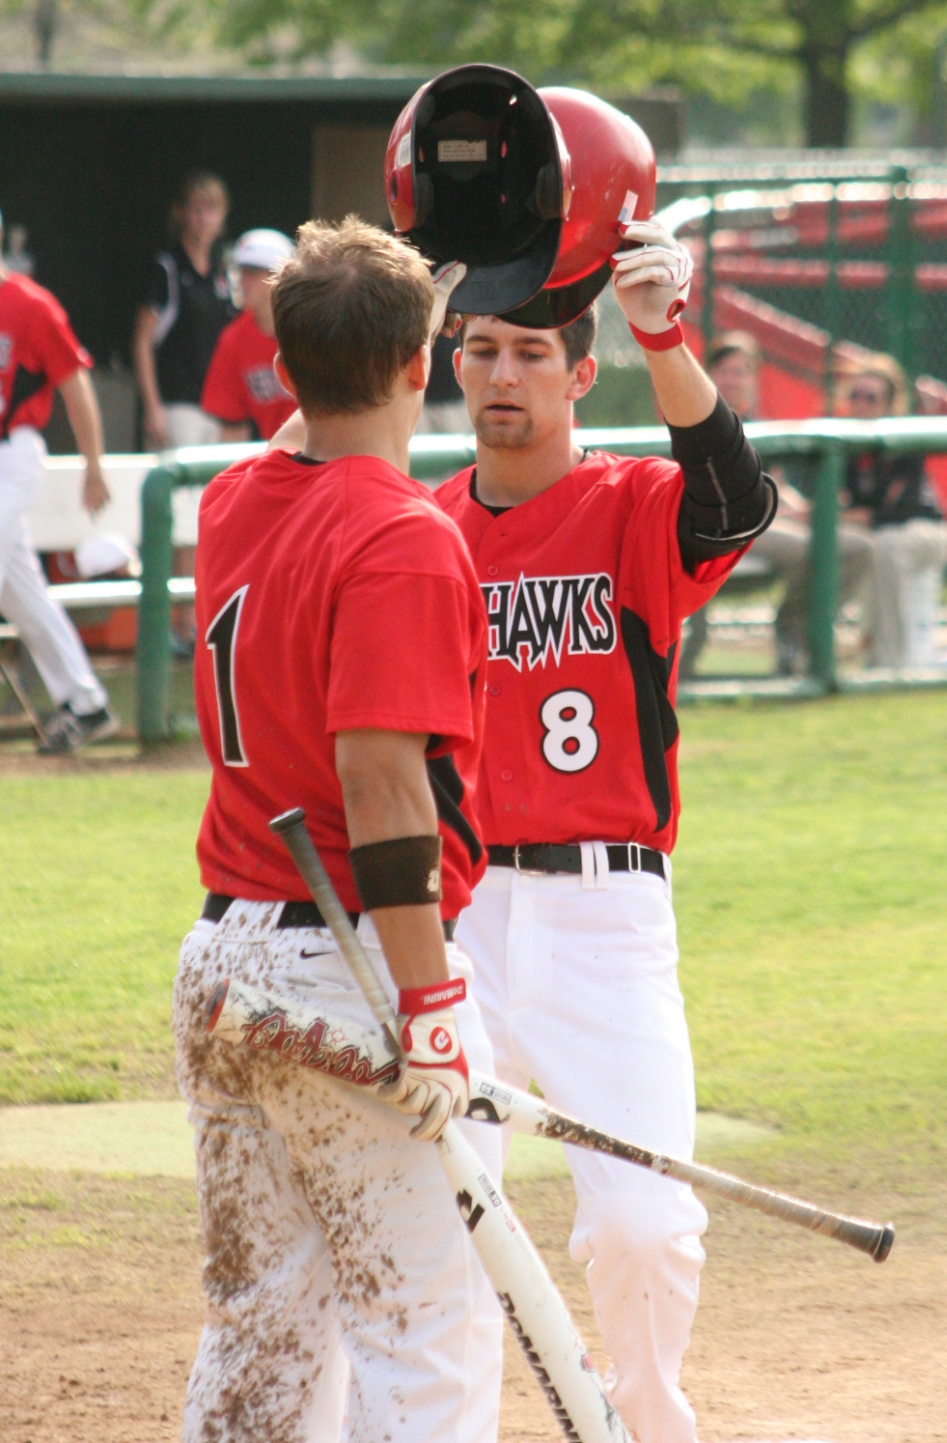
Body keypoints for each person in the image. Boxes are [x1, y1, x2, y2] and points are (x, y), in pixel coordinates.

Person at [433, 218, 777, 1443]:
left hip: (603, 913)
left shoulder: (631, 501)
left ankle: (637, 1414)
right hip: (453, 921)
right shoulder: (422, 529)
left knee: (644, 1223)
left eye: (532, 352)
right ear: (451, 362)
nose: (503, 376)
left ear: (581, 375)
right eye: (479, 350)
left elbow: (735, 500)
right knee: (433, 1211)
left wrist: (664, 335)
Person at [172, 219, 503, 1443]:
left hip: (222, 958)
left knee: (261, 1317)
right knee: (422, 1321)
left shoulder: (234, 497)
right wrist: (427, 1008)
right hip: (347, 960)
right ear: (425, 364)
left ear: (282, 359)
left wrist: (366, 310)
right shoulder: (409, 534)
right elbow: (381, 787)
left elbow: (305, 430)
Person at [682, 332, 871, 677]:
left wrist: (803, 508)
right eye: (724, 370)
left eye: (741, 371)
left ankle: (799, 629)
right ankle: (791, 630)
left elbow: (779, 486)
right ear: (707, 374)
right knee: (814, 549)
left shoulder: (759, 426)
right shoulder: (692, 418)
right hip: (721, 528)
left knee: (858, 547)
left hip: (769, 523)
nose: (732, 379)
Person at [0, 205, 118, 754]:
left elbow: (75, 386)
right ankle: (86, 702)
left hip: (13, 451)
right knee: (21, 594)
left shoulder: (30, 305)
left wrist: (93, 466)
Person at [841, 354, 947, 667]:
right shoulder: (848, 446)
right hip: (885, 533)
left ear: (889, 404)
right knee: (855, 542)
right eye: (855, 395)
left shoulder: (902, 443)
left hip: (927, 532)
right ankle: (829, 647)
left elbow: (888, 513)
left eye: (871, 398)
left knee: (885, 545)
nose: (861, 404)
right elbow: (853, 509)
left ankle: (886, 663)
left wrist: (853, 515)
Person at [133, 171, 235, 451]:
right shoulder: (166, 268)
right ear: (180, 213)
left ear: (223, 216)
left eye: (212, 209)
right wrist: (153, 407)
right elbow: (142, 342)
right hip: (176, 409)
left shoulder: (225, 276)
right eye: (196, 208)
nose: (203, 217)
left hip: (219, 414)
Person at [201, 229, 298, 442]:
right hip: (277, 454)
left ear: (281, 276)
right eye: (240, 272)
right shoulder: (233, 340)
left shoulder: (315, 328)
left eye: (252, 273)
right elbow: (231, 426)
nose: (242, 281)